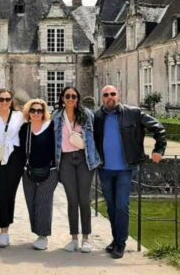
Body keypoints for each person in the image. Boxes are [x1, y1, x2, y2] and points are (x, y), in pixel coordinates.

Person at [93, 85, 166, 259]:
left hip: (125, 169)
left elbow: (158, 128)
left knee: (122, 206)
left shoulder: (133, 113)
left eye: (113, 94)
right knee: (111, 207)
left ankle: (121, 244)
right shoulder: (97, 116)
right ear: (101, 97)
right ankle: (115, 239)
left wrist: (159, 150)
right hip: (104, 169)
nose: (110, 97)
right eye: (106, 95)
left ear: (119, 95)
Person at [53, 86, 101, 254]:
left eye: (74, 96)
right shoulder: (57, 117)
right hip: (65, 160)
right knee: (72, 200)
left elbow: (96, 137)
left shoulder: (87, 114)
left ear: (77, 98)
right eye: (68, 96)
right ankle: (74, 238)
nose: (71, 98)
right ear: (62, 98)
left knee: (84, 199)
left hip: (84, 159)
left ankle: (86, 238)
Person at [0, 88, 25, 247]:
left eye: (7, 99)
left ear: (11, 101)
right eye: (1, 99)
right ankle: (4, 231)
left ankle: (5, 228)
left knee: (10, 193)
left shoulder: (19, 116)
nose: (4, 102)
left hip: (15, 157)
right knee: (0, 193)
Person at [19, 98, 58, 250]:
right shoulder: (25, 129)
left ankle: (43, 236)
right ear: (28, 112)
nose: (36, 113)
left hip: (50, 171)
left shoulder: (51, 127)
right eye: (33, 110)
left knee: (44, 202)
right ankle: (38, 232)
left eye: (39, 111)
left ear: (44, 112)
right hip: (28, 170)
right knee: (31, 202)